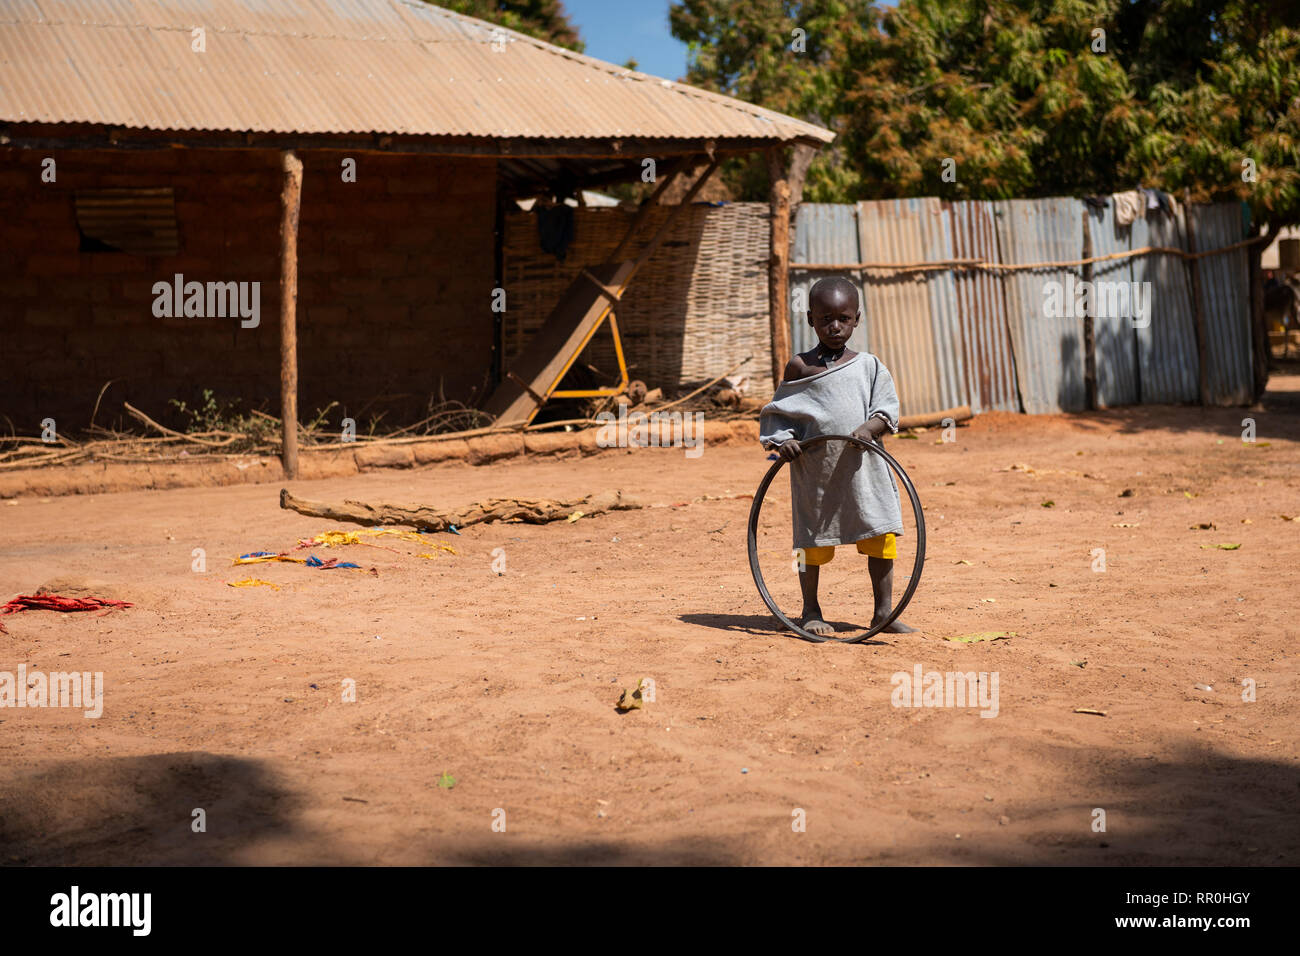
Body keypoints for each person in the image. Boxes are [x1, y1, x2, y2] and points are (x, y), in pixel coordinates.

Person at [759, 276, 915, 636]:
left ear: (857, 319)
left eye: (843, 318)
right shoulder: (799, 368)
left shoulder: (869, 366)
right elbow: (780, 415)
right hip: (817, 473)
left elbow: (887, 410)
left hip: (864, 470)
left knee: (879, 534)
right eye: (825, 318)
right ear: (810, 319)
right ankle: (811, 610)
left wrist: (870, 428)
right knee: (811, 542)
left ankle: (883, 613)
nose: (835, 327)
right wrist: (784, 441)